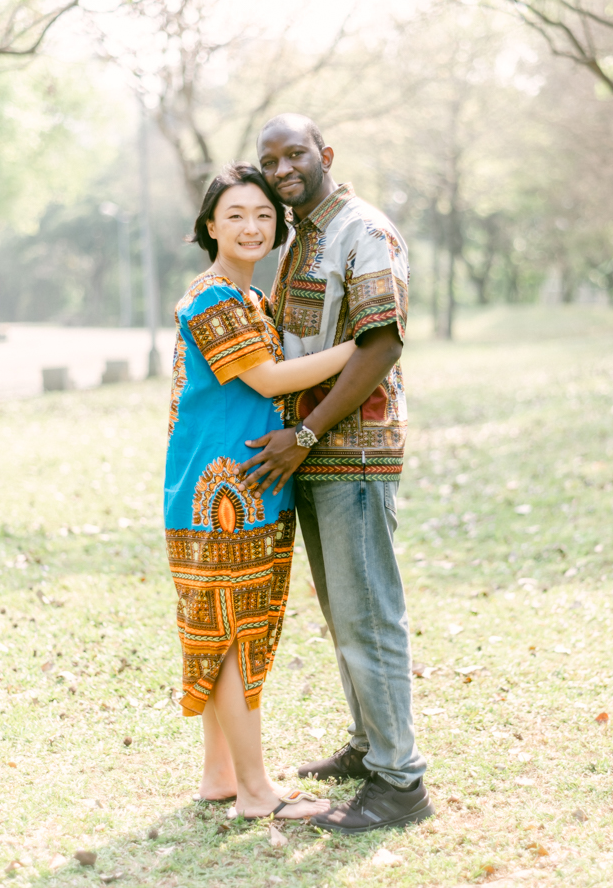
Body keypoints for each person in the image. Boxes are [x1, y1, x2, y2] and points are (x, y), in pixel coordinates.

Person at [239, 114, 434, 833]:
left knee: (369, 613)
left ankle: (400, 783)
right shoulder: (300, 237)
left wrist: (305, 433)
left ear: (324, 155)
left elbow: (381, 345)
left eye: (295, 154)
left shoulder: (363, 229)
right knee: (344, 611)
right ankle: (369, 745)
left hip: (352, 451)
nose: (282, 169)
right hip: (312, 454)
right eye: (270, 160)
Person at [164, 161, 358, 820]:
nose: (252, 226)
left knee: (232, 632)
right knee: (230, 635)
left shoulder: (251, 301)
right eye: (236, 215)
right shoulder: (212, 299)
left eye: (264, 215)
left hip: (248, 488)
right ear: (210, 226)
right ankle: (254, 791)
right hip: (216, 497)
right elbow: (271, 380)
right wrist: (363, 348)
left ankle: (221, 775)